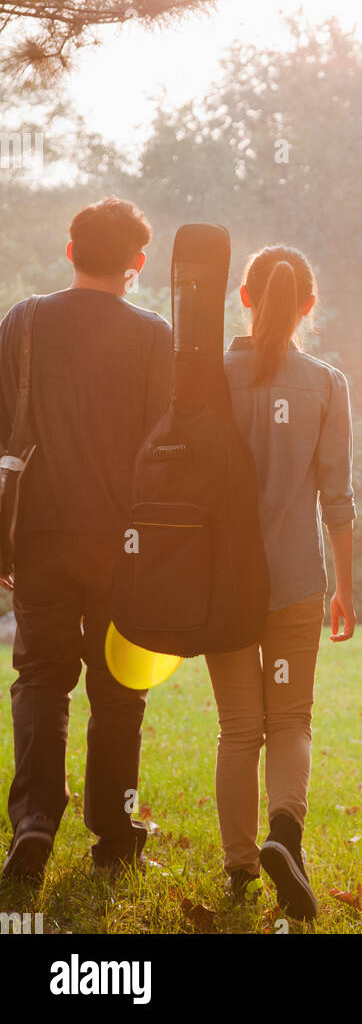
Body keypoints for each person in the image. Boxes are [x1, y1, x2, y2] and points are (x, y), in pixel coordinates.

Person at [0, 197, 172, 882]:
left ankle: (35, 820)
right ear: (136, 263)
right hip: (125, 544)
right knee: (120, 689)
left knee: (40, 677)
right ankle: (114, 831)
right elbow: (167, 446)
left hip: (39, 534)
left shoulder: (25, 322)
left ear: (70, 252)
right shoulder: (155, 336)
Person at [206, 245, 356, 921]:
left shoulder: (207, 377)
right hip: (297, 582)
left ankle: (241, 868)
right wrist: (345, 587)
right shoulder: (326, 384)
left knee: (239, 729)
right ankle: (284, 835)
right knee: (291, 719)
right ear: (308, 305)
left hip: (222, 586)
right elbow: (339, 500)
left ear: (244, 296)